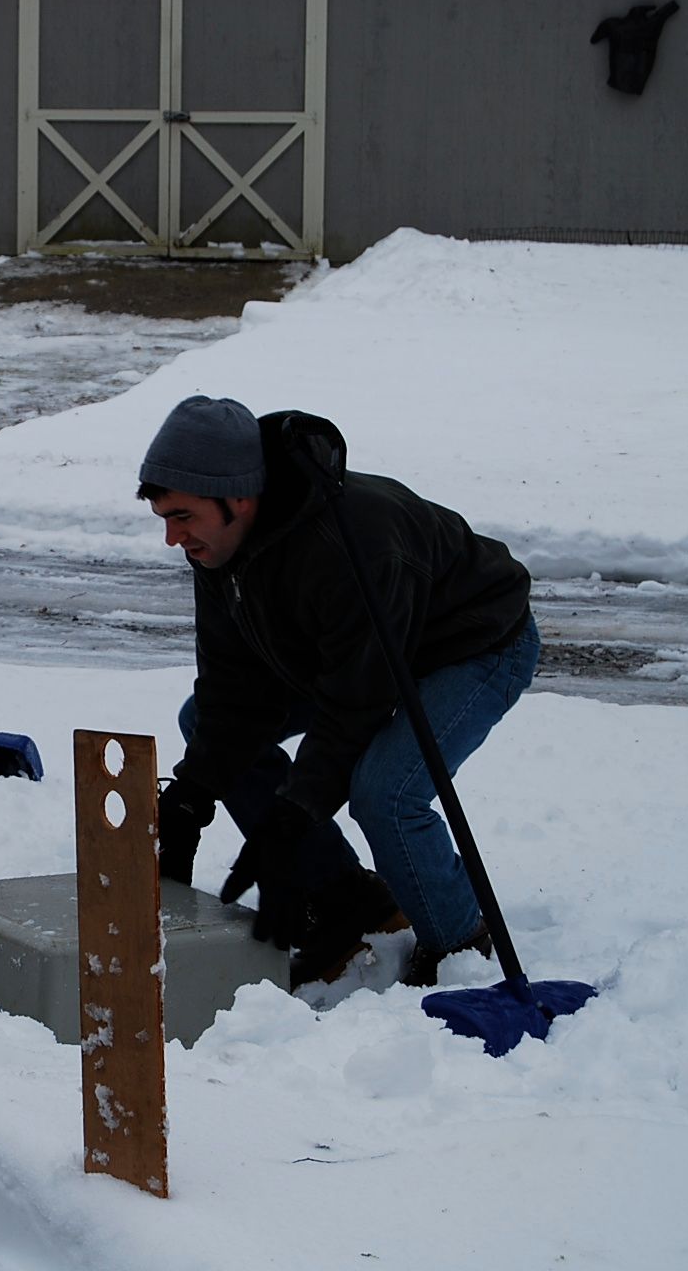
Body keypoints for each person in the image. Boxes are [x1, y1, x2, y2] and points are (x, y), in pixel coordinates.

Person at [138, 396, 539, 988]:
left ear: (238, 499)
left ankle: (461, 948)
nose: (173, 538)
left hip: (473, 645)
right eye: (164, 519)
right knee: (204, 720)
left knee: (385, 791)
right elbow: (232, 687)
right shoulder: (220, 546)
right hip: (354, 659)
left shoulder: (353, 541)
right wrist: (194, 796)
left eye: (183, 516)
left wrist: (292, 816)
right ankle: (348, 899)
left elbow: (356, 704)